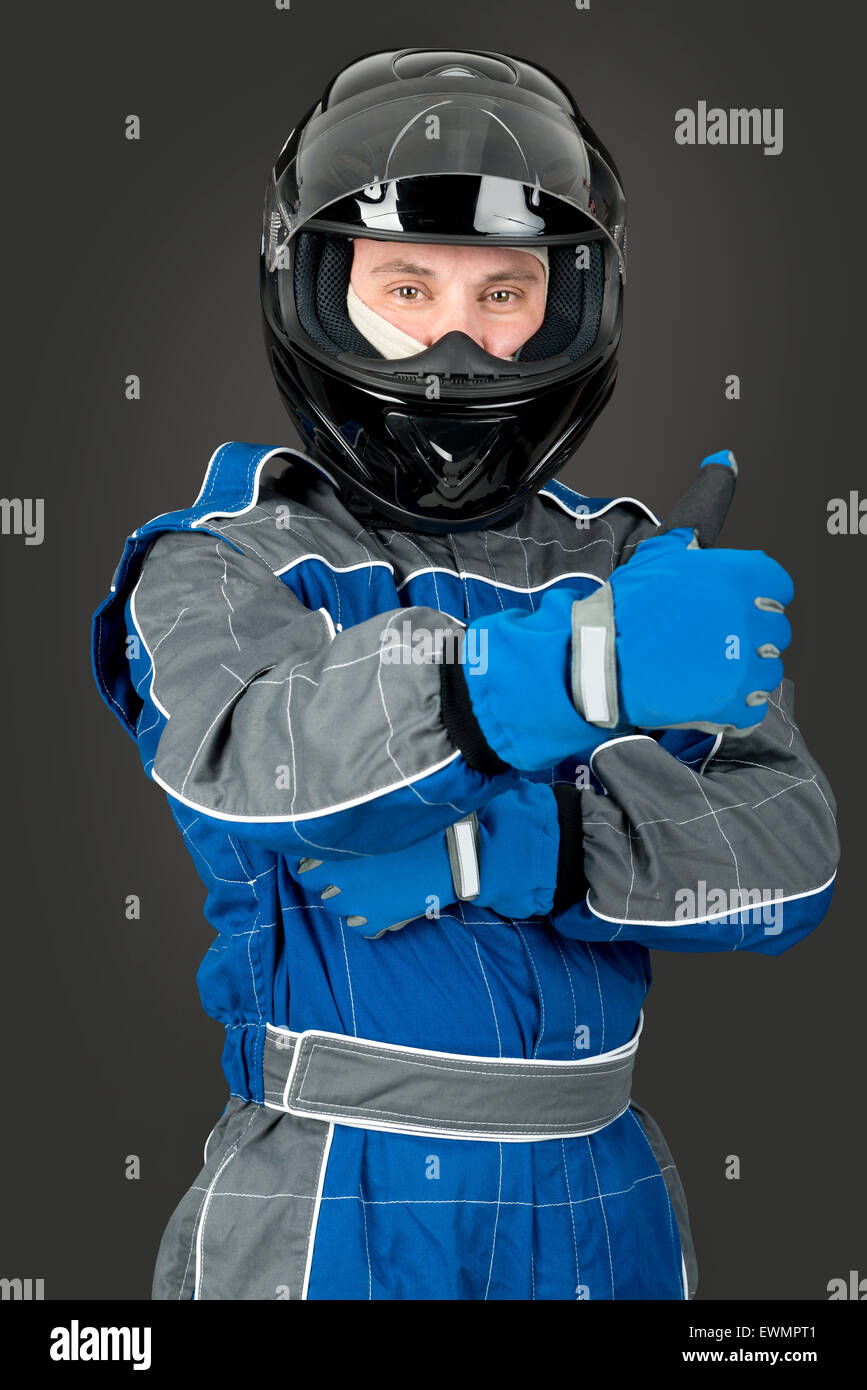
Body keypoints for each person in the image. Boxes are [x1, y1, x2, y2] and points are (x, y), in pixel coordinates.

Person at [91, 48, 839, 1301]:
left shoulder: (627, 562)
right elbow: (259, 763)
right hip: (337, 1195)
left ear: (574, 304)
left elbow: (789, 863)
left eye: (504, 293)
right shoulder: (222, 562)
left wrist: (526, 851)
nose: (454, 340)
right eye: (404, 286)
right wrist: (580, 671)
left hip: (603, 1192)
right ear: (321, 292)